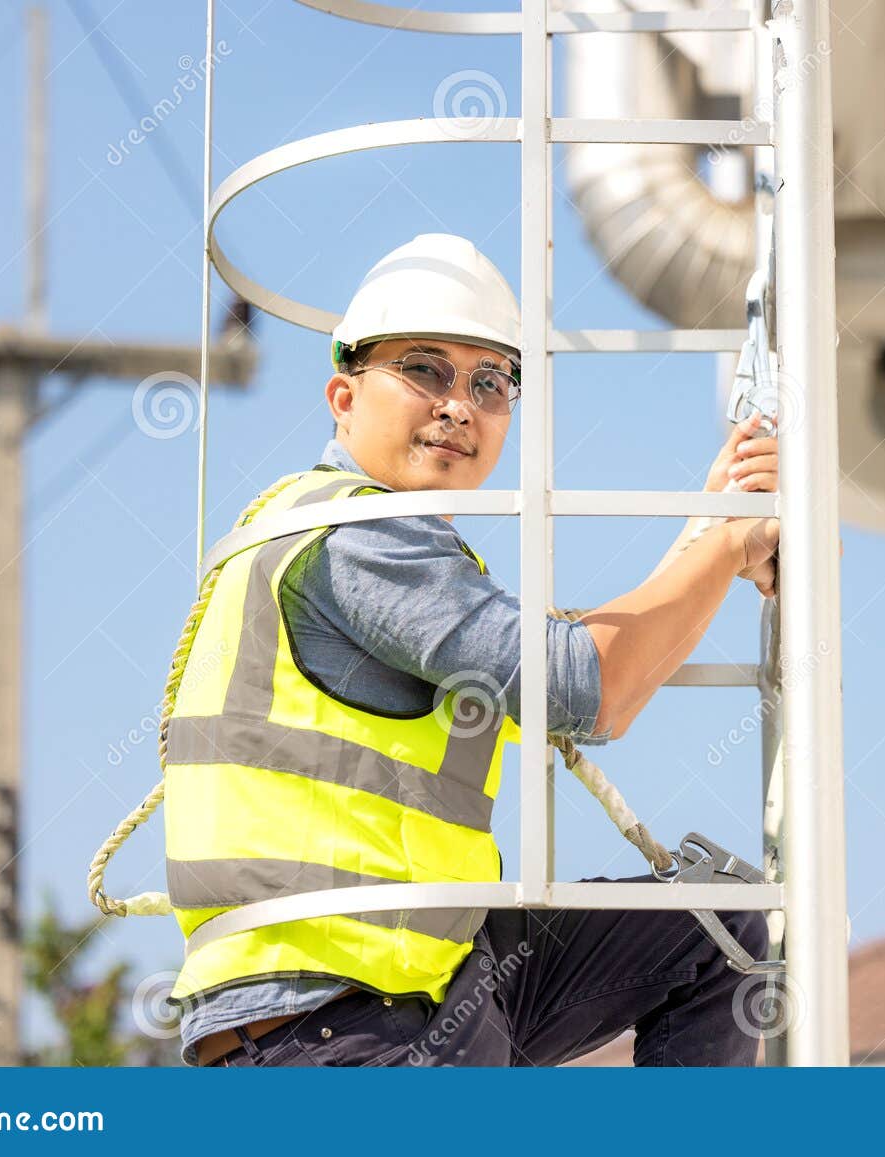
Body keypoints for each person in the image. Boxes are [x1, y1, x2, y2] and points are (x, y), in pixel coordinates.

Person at [165, 233, 782, 1067]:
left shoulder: (389, 551)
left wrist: (709, 529)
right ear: (342, 397)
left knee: (719, 929)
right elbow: (591, 689)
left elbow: (572, 662)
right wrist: (726, 546)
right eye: (425, 369)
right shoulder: (355, 537)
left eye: (490, 382)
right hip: (333, 1023)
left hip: (426, 986)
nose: (459, 403)